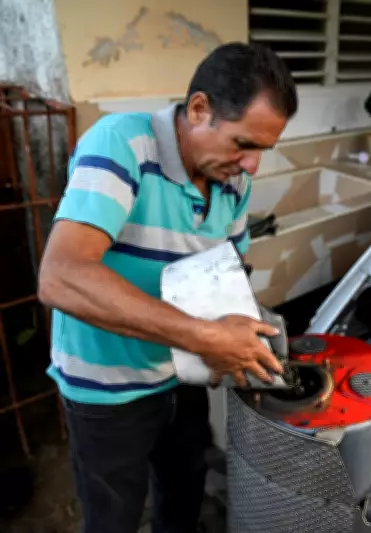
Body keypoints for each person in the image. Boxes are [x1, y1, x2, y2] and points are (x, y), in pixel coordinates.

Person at [37, 42, 298, 533]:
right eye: (244, 143)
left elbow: (226, 271)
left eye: (264, 149)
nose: (253, 166)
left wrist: (242, 333)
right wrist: (204, 337)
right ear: (199, 109)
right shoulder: (121, 144)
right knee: (113, 516)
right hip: (107, 392)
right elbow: (61, 276)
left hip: (180, 376)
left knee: (183, 495)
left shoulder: (233, 180)